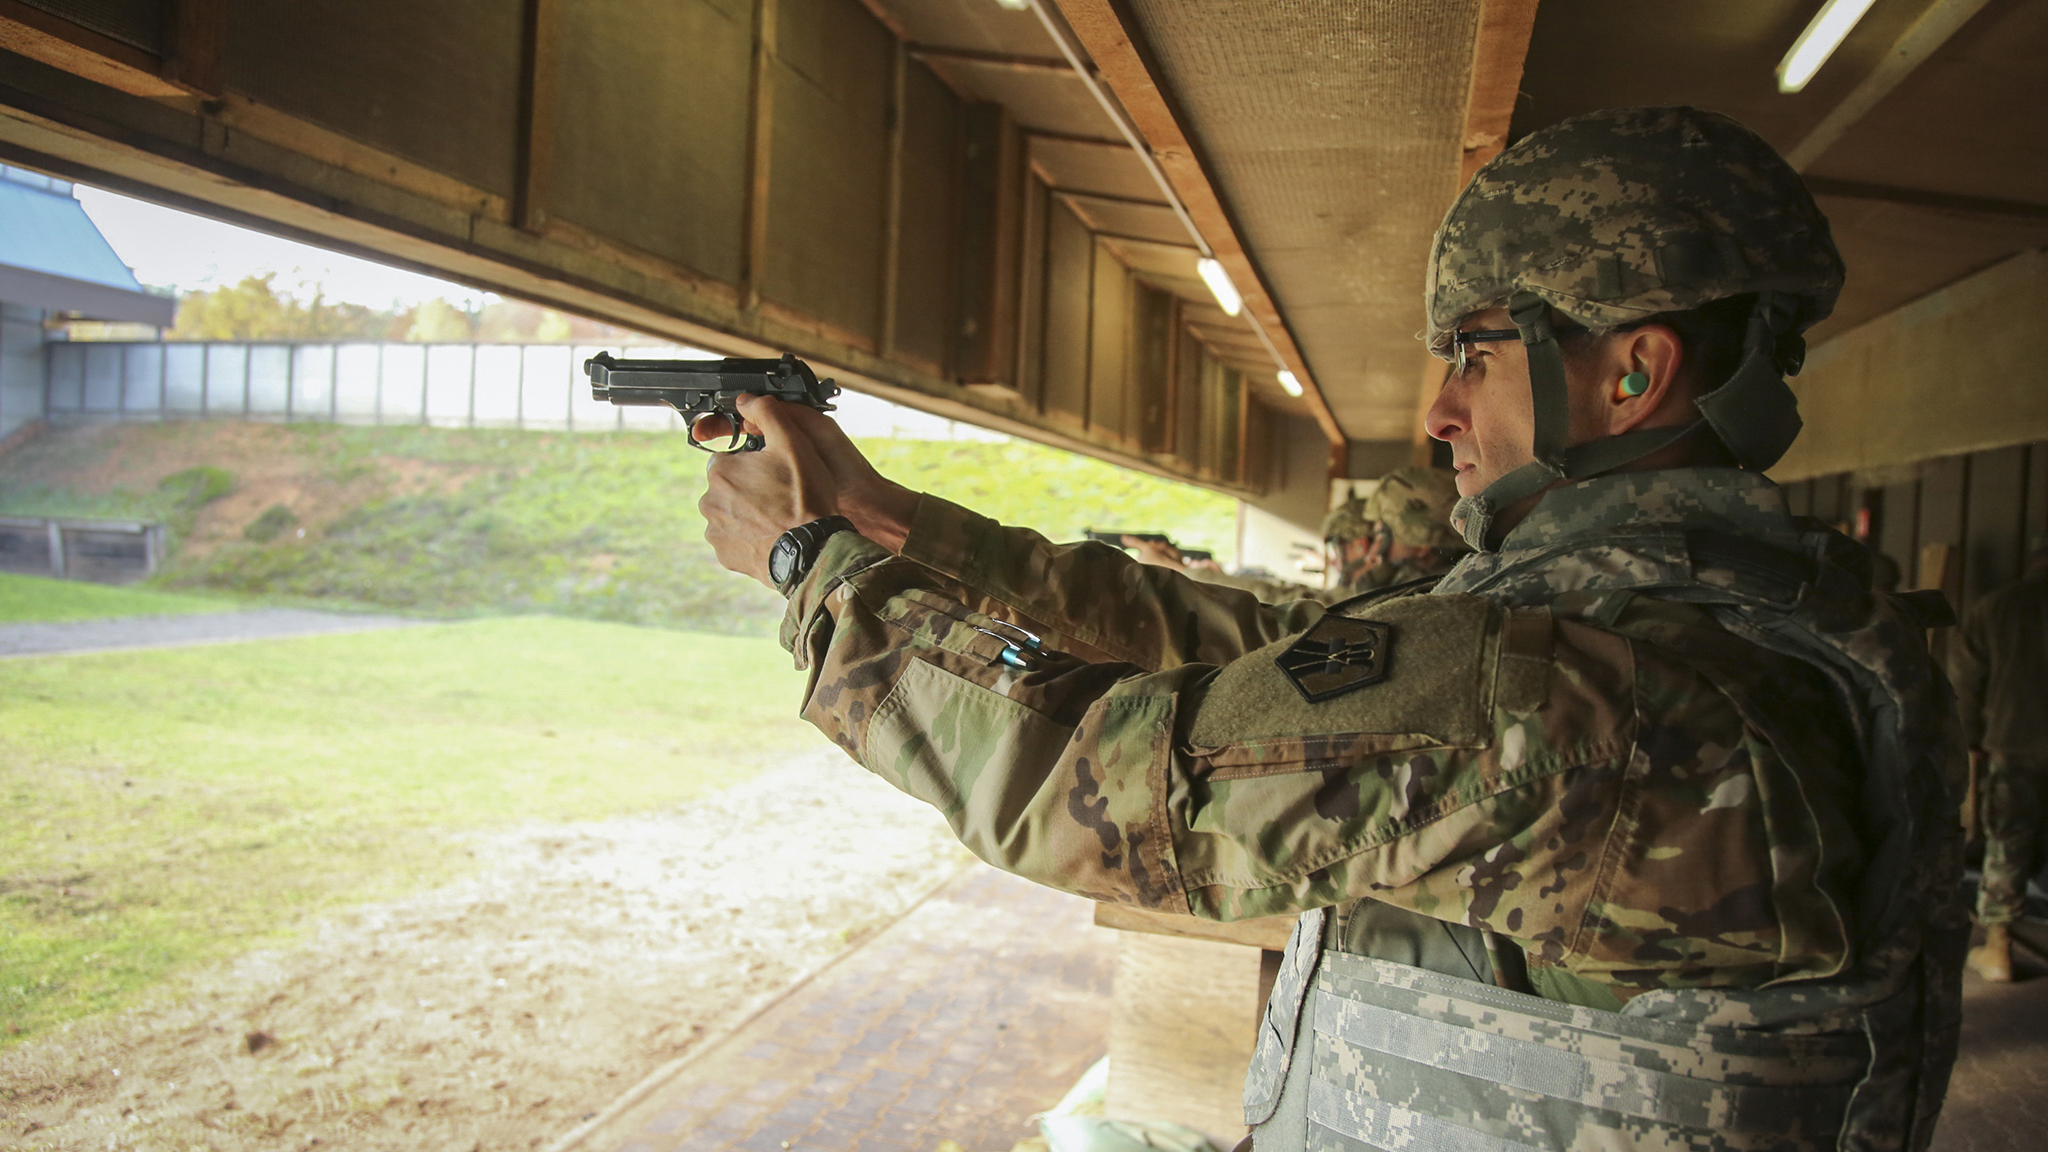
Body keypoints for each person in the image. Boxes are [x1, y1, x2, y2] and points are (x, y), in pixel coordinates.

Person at [699, 107, 1966, 1152]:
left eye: (1471, 354)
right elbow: (1266, 642)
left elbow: (1090, 781)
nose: (1438, 415)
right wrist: (889, 519)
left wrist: (819, 572)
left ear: (1629, 375)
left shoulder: (1587, 700)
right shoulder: (1741, 616)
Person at [1130, 465, 1464, 604]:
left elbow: (1307, 613)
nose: (1373, 551)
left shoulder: (1426, 595)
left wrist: (1184, 576)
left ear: (1421, 546)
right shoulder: (1437, 584)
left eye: (1381, 536)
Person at [1950, 538, 2048, 982]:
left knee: (2007, 842)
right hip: (2017, 739)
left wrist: (1969, 740)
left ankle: (1999, 948)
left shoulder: (1995, 608)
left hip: (2015, 741)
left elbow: (1965, 683)